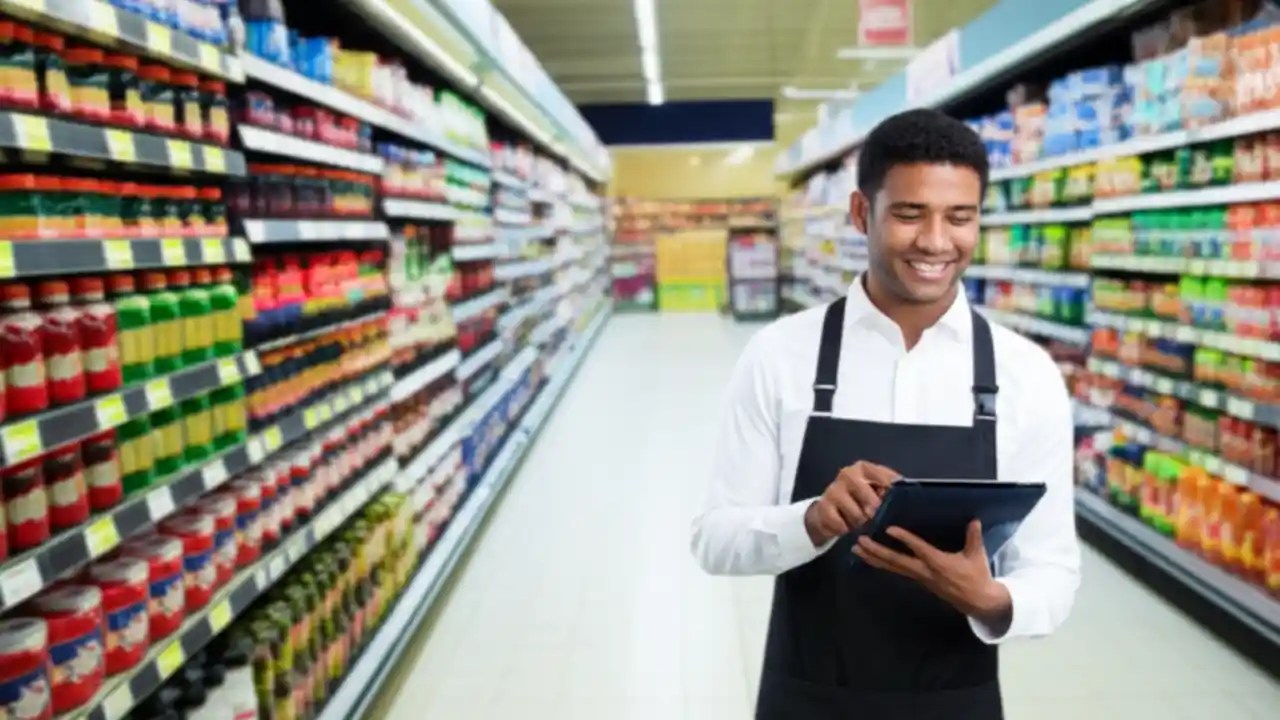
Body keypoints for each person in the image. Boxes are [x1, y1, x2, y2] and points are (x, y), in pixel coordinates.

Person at [690, 108, 1081, 720]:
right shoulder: (780, 356)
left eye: (960, 217)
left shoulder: (1024, 374)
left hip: (958, 702)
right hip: (806, 697)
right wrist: (813, 521)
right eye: (908, 214)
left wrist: (992, 598)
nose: (935, 241)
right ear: (859, 213)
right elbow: (714, 540)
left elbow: (1054, 571)